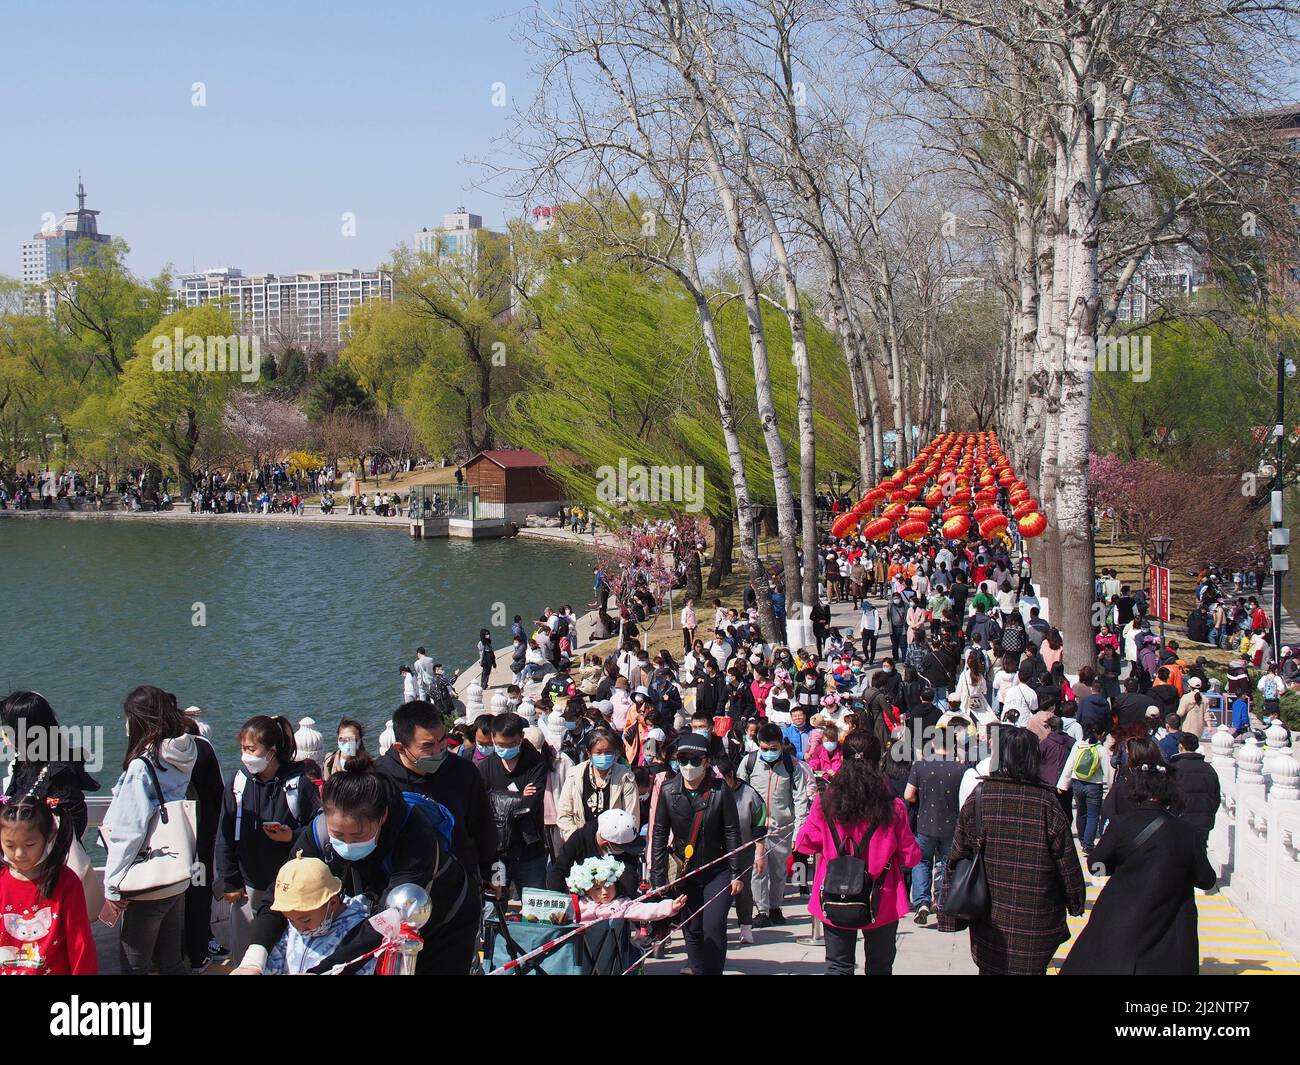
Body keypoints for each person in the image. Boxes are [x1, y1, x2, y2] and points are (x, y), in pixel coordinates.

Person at [233, 754, 479, 976]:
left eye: (358, 835)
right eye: (338, 834)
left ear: (382, 817)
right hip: (370, 911)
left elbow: (387, 919)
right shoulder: (318, 832)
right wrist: (253, 960)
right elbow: (281, 892)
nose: (347, 843)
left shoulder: (415, 836)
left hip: (440, 920)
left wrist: (323, 970)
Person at [937, 726, 1086, 975]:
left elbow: (957, 856)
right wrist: (1076, 901)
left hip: (989, 917)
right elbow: (1066, 860)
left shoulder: (980, 797)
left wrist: (949, 916)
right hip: (1036, 917)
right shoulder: (1046, 802)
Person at [1060, 748, 1217, 975]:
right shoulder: (1186, 831)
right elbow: (1206, 879)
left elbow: (1096, 865)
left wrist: (1116, 865)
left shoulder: (1122, 823)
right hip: (1169, 930)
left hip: (1121, 921)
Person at [102, 685, 208, 976]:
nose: (125, 725)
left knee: (134, 966)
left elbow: (129, 831)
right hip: (174, 873)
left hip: (145, 881)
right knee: (170, 962)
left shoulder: (143, 766)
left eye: (128, 719)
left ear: (140, 721)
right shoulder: (182, 753)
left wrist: (112, 885)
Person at [795, 730, 920, 975]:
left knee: (838, 965)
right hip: (882, 896)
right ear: (878, 761)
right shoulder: (893, 807)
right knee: (880, 967)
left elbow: (805, 844)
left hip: (835, 892)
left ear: (843, 759)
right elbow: (911, 856)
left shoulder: (824, 803)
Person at [215, 714, 321, 963]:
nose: (245, 756)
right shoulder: (238, 783)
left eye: (251, 749)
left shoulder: (298, 784)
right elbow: (225, 833)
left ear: (271, 751)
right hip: (249, 885)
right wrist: (230, 880)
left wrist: (291, 836)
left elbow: (317, 830)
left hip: (290, 884)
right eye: (243, 749)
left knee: (290, 951)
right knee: (247, 951)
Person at [375, 700, 499, 894]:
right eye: (427, 746)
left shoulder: (464, 771)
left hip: (461, 883)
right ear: (400, 747)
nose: (438, 751)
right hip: (405, 890)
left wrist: (493, 874)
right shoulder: (379, 781)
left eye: (442, 741)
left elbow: (484, 829)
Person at [650, 733, 744, 975]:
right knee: (691, 927)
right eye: (683, 760)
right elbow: (660, 833)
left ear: (706, 761)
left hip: (717, 869)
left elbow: (732, 831)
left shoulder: (720, 790)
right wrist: (658, 876)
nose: (688, 766)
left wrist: (737, 872)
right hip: (685, 870)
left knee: (713, 925)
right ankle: (698, 970)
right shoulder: (668, 790)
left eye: (695, 760)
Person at [0, 797, 96, 974]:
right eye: (10, 845)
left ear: (49, 836)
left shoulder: (66, 882)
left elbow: (79, 943)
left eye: (29, 844)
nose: (19, 853)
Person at [0, 691, 99, 841]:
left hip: (45, 854)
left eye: (6, 729)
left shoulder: (60, 772)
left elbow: (71, 827)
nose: (3, 734)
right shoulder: (25, 764)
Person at [739, 723, 810, 927]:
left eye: (773, 748)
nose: (769, 752)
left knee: (779, 872)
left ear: (780, 745)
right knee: (758, 869)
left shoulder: (792, 766)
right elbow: (739, 791)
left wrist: (798, 830)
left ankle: (775, 907)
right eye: (764, 748)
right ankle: (762, 910)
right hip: (756, 829)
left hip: (783, 828)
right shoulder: (749, 762)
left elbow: (800, 799)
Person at [262, 855, 379, 975]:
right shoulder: (295, 923)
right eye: (291, 920)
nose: (299, 928)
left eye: (306, 920)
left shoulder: (359, 931)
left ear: (332, 902)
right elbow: (277, 956)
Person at [904, 717, 968, 924]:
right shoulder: (960, 769)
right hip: (951, 825)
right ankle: (941, 902)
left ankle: (921, 901)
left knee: (921, 862)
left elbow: (908, 795)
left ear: (933, 744)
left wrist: (921, 799)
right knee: (947, 864)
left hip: (925, 823)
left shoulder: (920, 766)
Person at [479, 713, 549, 897]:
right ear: (493, 738)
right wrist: (519, 796)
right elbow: (482, 805)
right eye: (500, 744)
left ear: (521, 737)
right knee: (493, 904)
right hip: (497, 853)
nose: (505, 749)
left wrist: (497, 798)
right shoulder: (486, 766)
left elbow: (530, 805)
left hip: (529, 849)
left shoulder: (536, 763)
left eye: (511, 744)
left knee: (534, 902)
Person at [557, 728, 639, 840]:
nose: (604, 756)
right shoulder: (574, 775)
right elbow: (564, 814)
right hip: (581, 842)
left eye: (608, 752)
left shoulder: (625, 777)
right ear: (589, 753)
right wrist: (577, 840)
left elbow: (632, 817)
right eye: (598, 752)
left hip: (614, 843)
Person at [565, 854, 686, 922]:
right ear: (587, 891)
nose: (604, 892)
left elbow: (645, 910)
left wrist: (669, 906)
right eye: (597, 889)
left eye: (608, 885)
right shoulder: (579, 904)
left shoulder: (621, 904)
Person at [1170, 733, 1221, 854]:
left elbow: (1169, 797)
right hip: (1203, 822)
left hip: (1180, 821)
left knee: (1181, 854)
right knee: (1200, 853)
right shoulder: (1209, 769)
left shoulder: (1174, 769)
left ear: (1180, 746)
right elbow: (1216, 798)